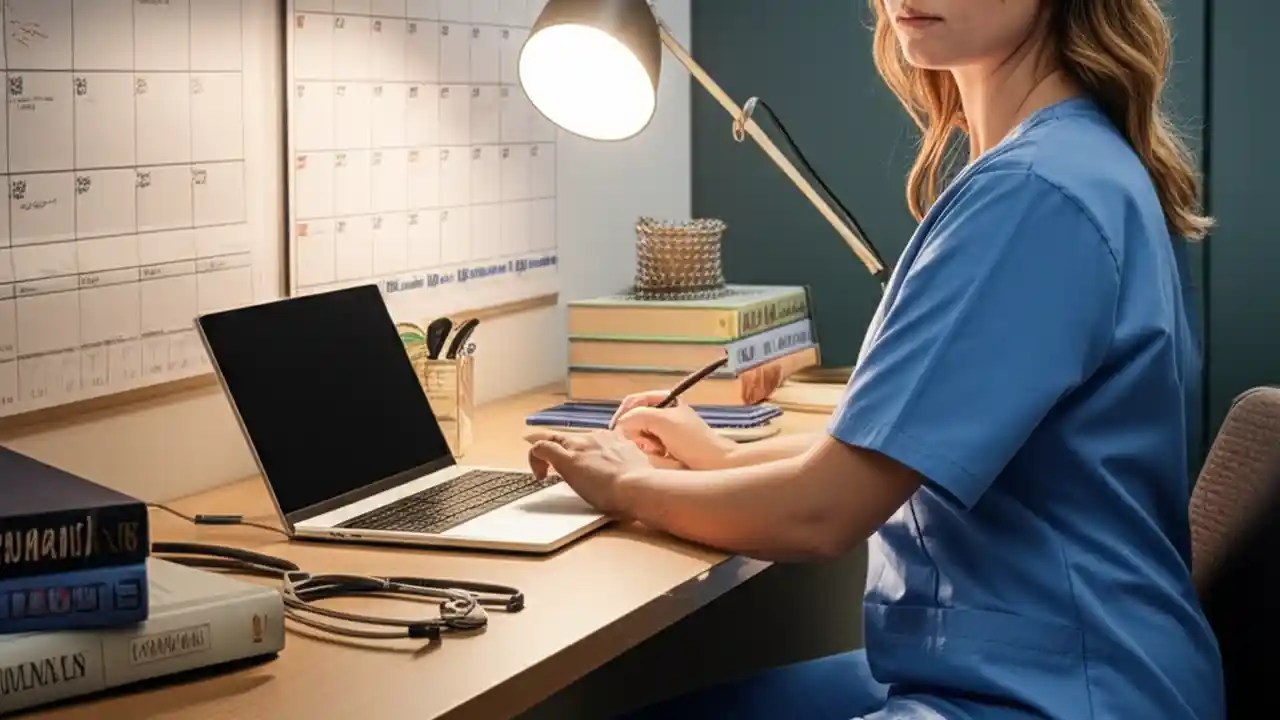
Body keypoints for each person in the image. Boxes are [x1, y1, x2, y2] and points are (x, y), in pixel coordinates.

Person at [525, 0, 1224, 717]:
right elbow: (900, 440)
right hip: (1039, 664)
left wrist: (628, 487)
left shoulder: (1033, 195)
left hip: (1060, 694)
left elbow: (823, 511)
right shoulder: (1066, 159)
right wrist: (723, 459)